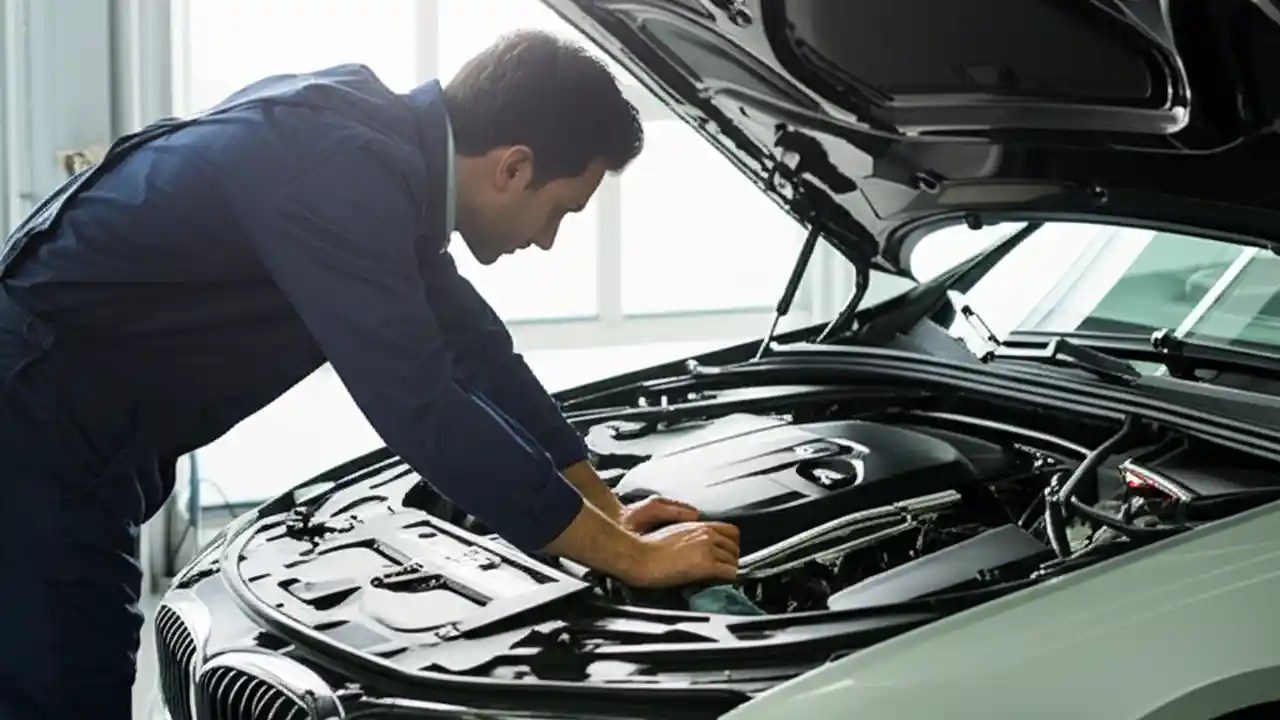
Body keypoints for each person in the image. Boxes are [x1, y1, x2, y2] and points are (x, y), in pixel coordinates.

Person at [0, 29, 740, 720]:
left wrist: (605, 508)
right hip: (33, 424)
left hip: (71, 420)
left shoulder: (384, 153)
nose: (548, 241)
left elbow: (477, 350)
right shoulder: (341, 174)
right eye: (560, 211)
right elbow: (422, 407)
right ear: (513, 166)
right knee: (67, 687)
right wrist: (629, 560)